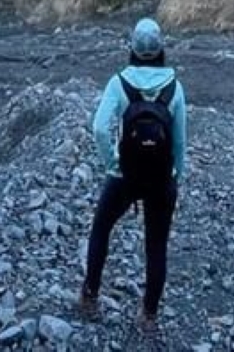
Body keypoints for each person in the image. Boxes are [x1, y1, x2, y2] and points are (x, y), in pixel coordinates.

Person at [77, 18, 187, 334]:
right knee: (156, 246)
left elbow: (99, 127)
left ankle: (90, 296)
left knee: (101, 229)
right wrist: (177, 173)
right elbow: (179, 139)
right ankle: (149, 316)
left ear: (132, 48)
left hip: (125, 174)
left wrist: (112, 162)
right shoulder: (174, 87)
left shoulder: (118, 83)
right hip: (160, 178)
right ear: (161, 49)